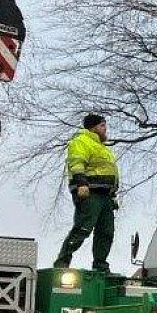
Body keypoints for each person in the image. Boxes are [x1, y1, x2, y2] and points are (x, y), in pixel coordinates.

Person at [54, 113, 119, 272]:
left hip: (105, 196)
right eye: (103, 125)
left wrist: (112, 195)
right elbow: (76, 162)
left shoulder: (103, 147)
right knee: (83, 227)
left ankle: (100, 264)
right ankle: (63, 261)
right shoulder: (81, 142)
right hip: (90, 192)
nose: (105, 129)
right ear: (94, 127)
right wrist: (81, 183)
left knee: (106, 231)